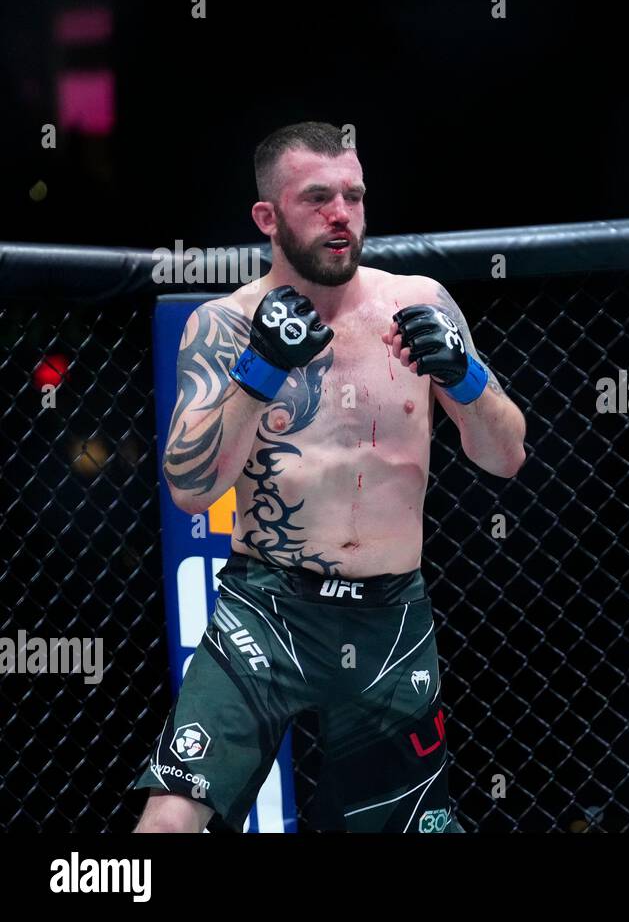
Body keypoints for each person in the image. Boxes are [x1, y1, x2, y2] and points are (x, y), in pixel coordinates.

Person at [133, 121, 526, 832]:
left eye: (353, 195)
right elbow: (192, 489)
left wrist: (466, 378)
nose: (341, 214)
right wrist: (259, 374)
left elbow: (506, 457)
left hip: (389, 621)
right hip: (267, 610)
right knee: (168, 820)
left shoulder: (418, 305)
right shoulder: (225, 327)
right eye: (317, 198)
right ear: (268, 217)